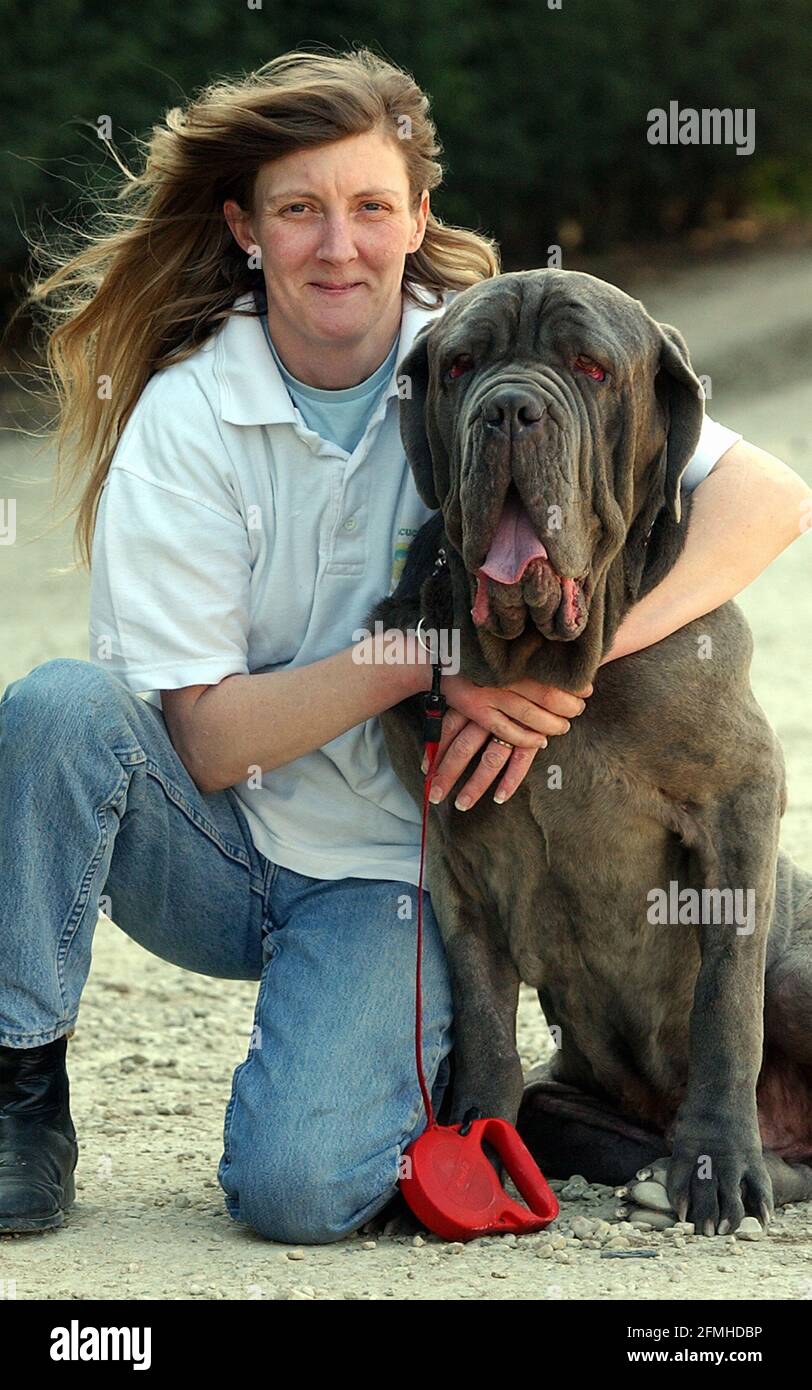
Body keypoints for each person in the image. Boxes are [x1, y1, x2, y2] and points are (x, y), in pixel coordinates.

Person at [1, 48, 809, 1245]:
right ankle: (19, 1087)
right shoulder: (190, 413)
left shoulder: (492, 344)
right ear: (245, 229)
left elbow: (767, 496)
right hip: (220, 849)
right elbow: (209, 741)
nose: (339, 245)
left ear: (417, 218)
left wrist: (575, 667)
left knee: (301, 1192)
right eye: (298, 210)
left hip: (384, 880)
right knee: (56, 707)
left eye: (371, 207)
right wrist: (436, 658)